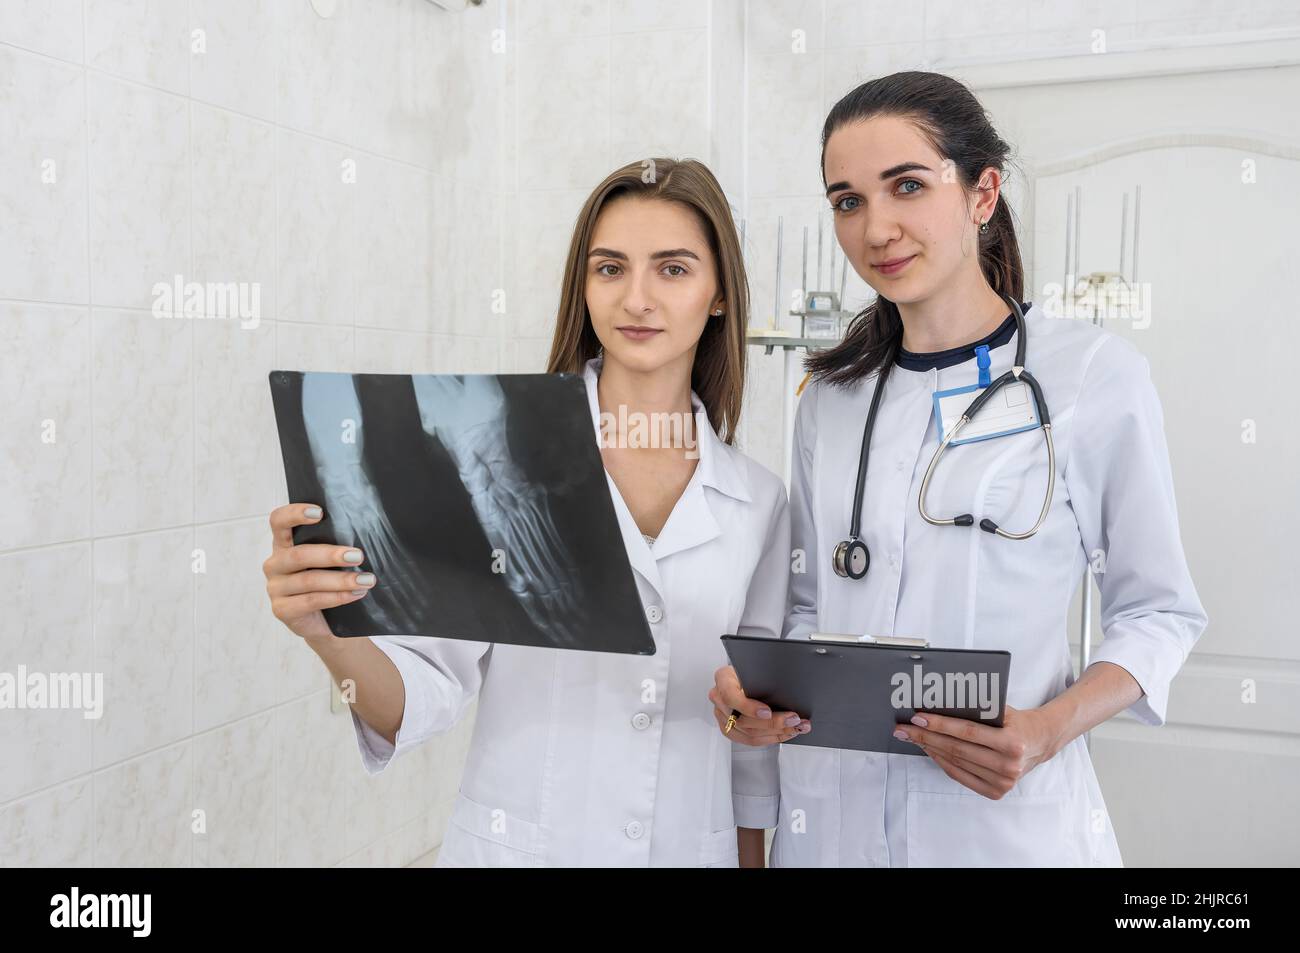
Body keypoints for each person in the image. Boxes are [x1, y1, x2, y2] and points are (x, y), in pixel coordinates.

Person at [709, 72, 1208, 867]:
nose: (877, 228)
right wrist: (759, 700)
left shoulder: (1090, 378)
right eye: (848, 200)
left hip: (1001, 828)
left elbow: (1159, 614)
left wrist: (1046, 731)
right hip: (832, 825)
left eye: (907, 186)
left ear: (983, 193)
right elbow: (809, 607)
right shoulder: (829, 402)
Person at [263, 158, 796, 866]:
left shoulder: (758, 500)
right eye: (610, 269)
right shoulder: (490, 458)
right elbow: (421, 691)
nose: (637, 298)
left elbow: (754, 752)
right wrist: (321, 631)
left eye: (672, 269)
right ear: (584, 287)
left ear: (720, 293)